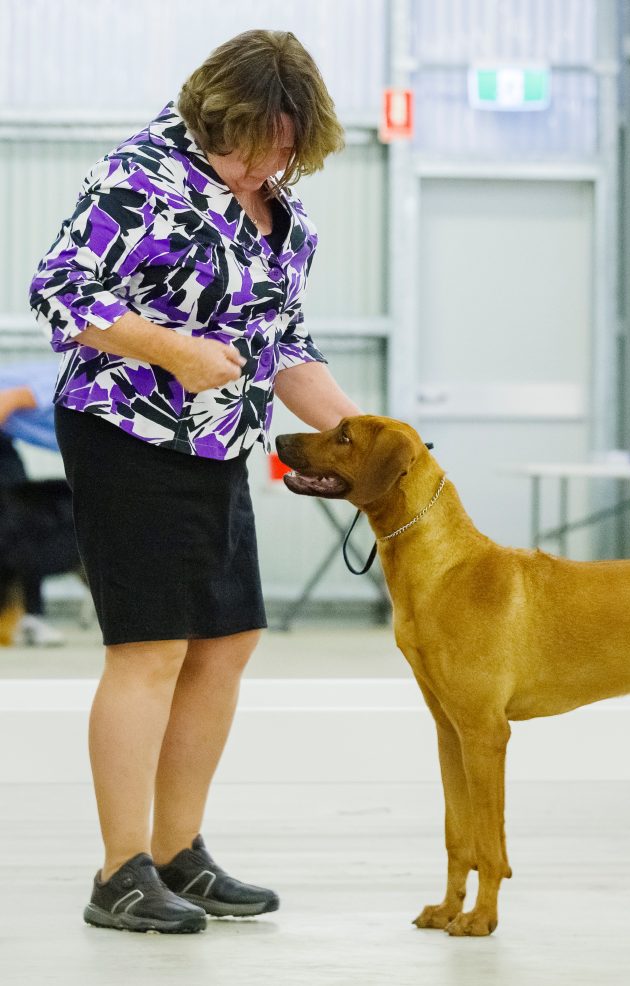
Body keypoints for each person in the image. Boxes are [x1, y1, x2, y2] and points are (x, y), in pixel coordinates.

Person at [29, 30, 361, 934]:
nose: (267, 165)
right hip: (126, 432)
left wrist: (367, 440)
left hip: (219, 442)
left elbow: (284, 346)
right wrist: (170, 349)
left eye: (286, 149)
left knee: (227, 640)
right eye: (252, 146)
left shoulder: (282, 214)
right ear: (216, 116)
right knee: (150, 647)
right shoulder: (141, 177)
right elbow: (61, 291)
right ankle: (119, 872)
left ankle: (179, 853)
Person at [0, 359, 66, 646]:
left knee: (23, 533)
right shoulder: (74, 381)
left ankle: (30, 616)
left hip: (5, 440)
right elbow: (10, 399)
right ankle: (29, 617)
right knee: (16, 531)